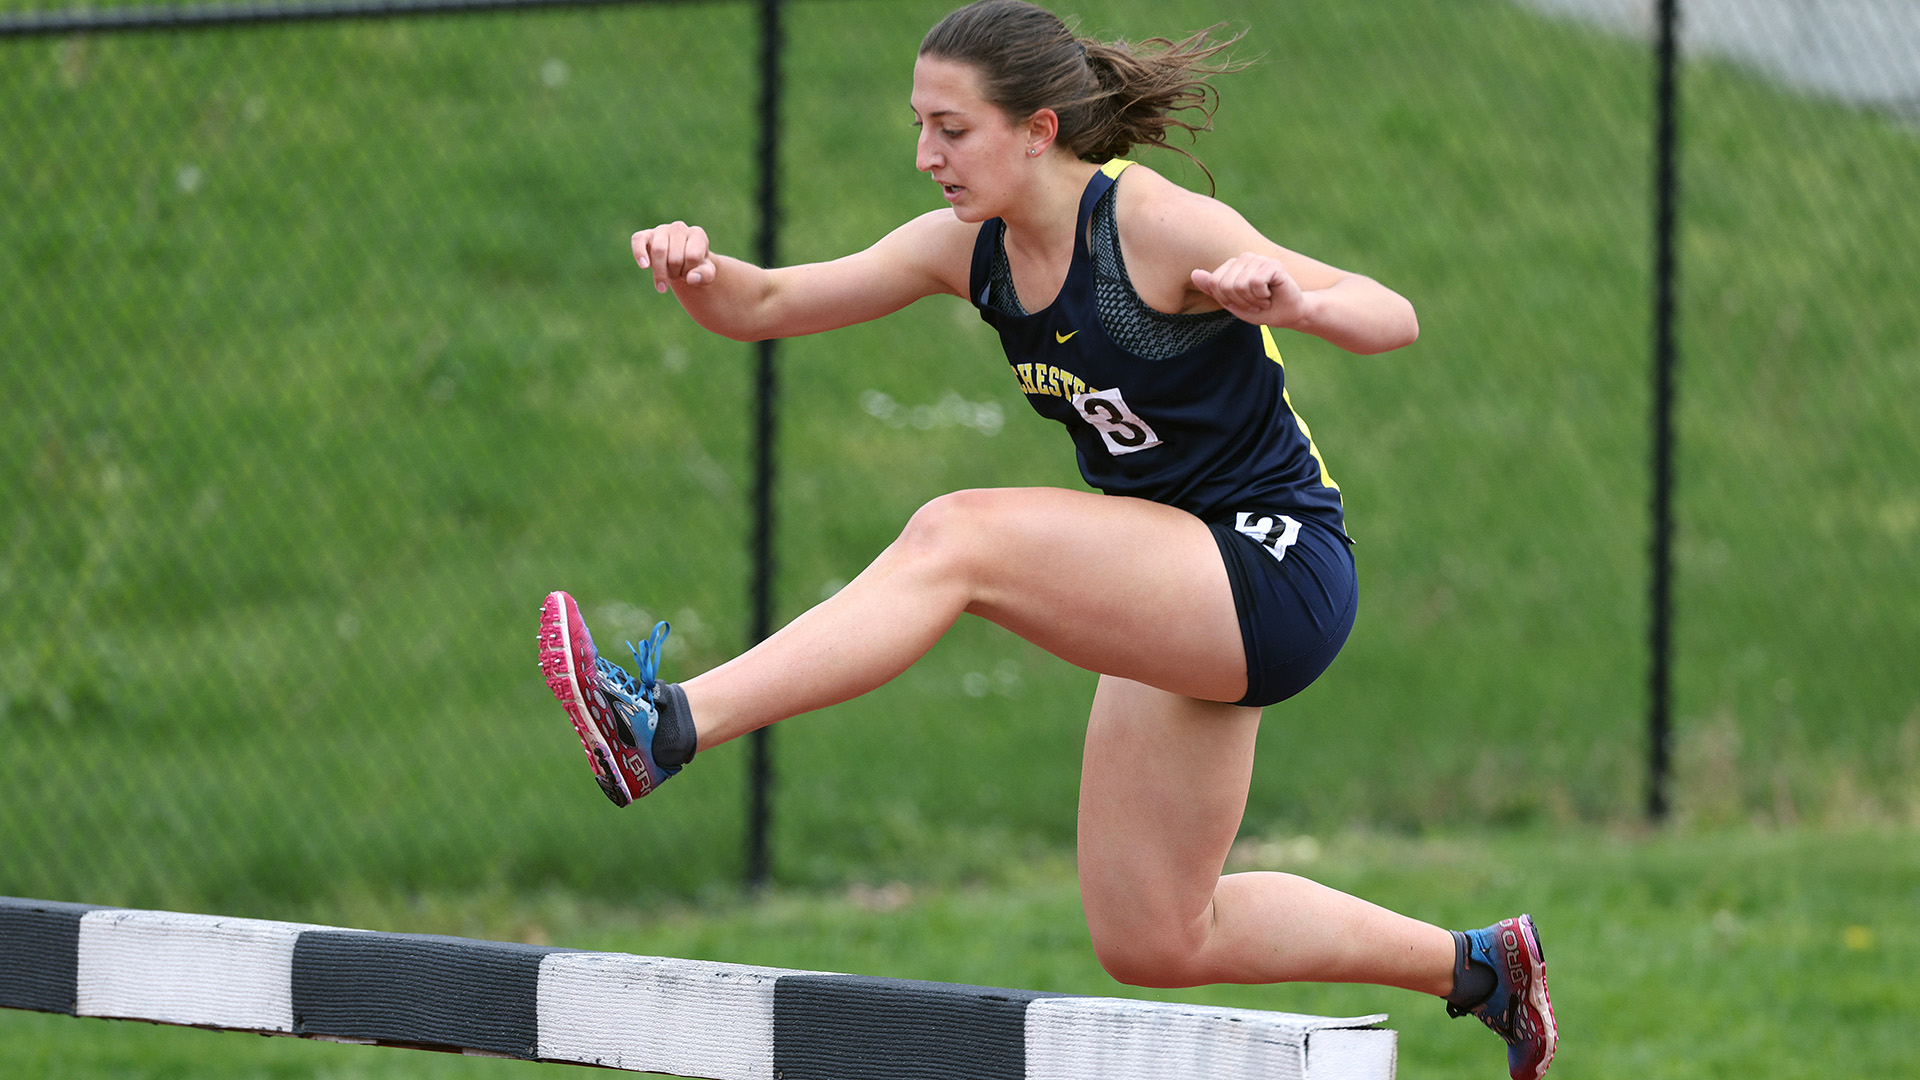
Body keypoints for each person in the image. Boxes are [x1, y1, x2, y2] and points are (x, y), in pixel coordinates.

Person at [535, 2, 1555, 1076]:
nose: (926, 155)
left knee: (959, 537)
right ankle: (1483, 969)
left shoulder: (1146, 227)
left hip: (1271, 563)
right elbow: (771, 301)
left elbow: (1389, 314)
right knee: (1155, 936)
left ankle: (663, 727)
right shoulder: (967, 249)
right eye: (919, 125)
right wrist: (700, 273)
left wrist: (1294, 299)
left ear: (1039, 128)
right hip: (1170, 573)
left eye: (952, 128)